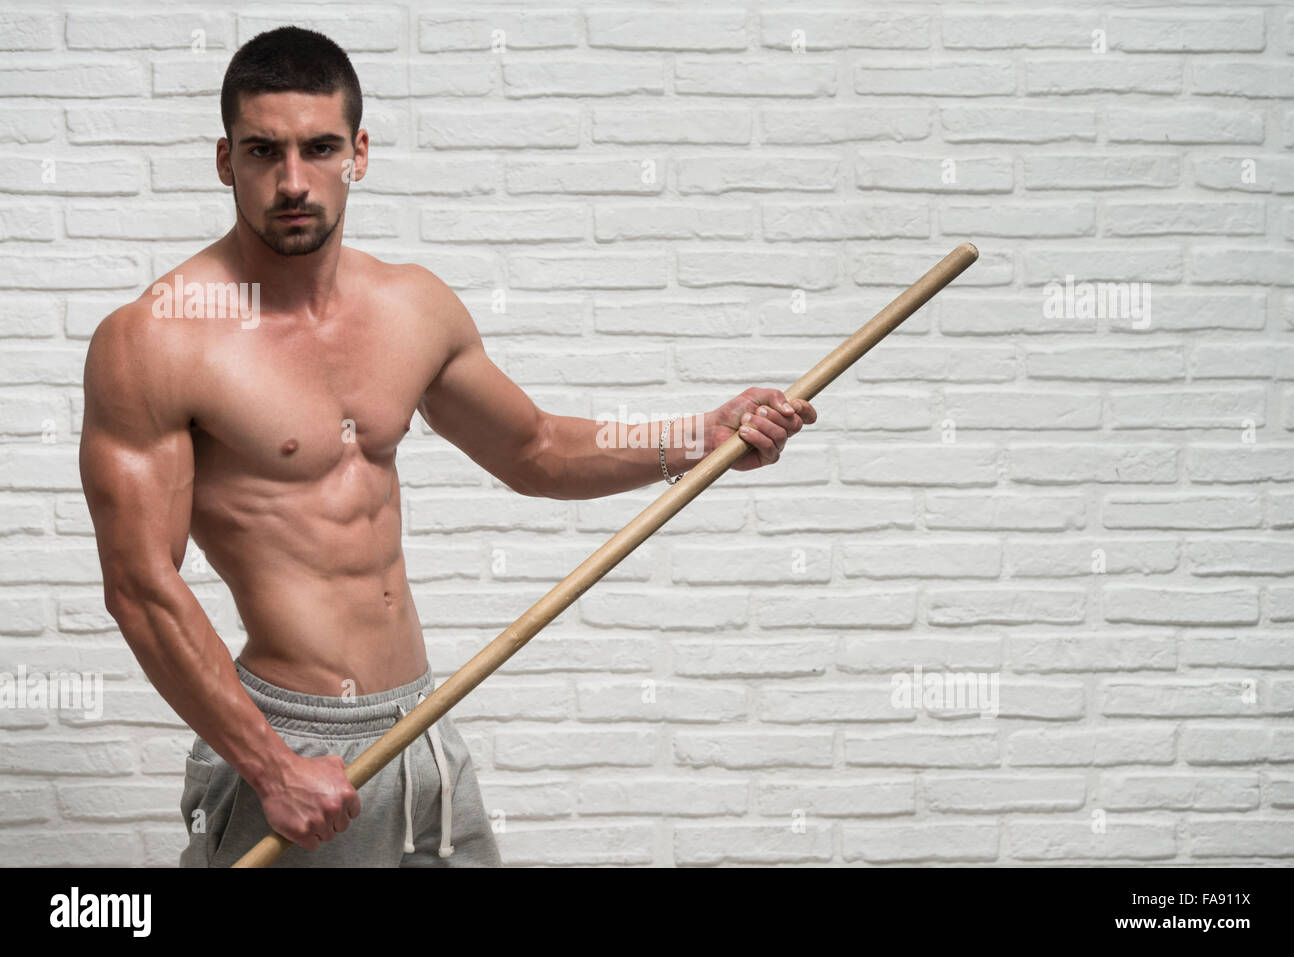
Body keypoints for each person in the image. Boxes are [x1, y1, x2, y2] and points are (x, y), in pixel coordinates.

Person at [78, 26, 816, 868]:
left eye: (319, 148)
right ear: (224, 160)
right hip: (286, 740)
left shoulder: (411, 307)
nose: (292, 181)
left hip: (421, 721)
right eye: (262, 151)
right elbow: (141, 587)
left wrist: (696, 436)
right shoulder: (159, 338)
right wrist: (270, 765)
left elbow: (535, 449)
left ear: (359, 152)